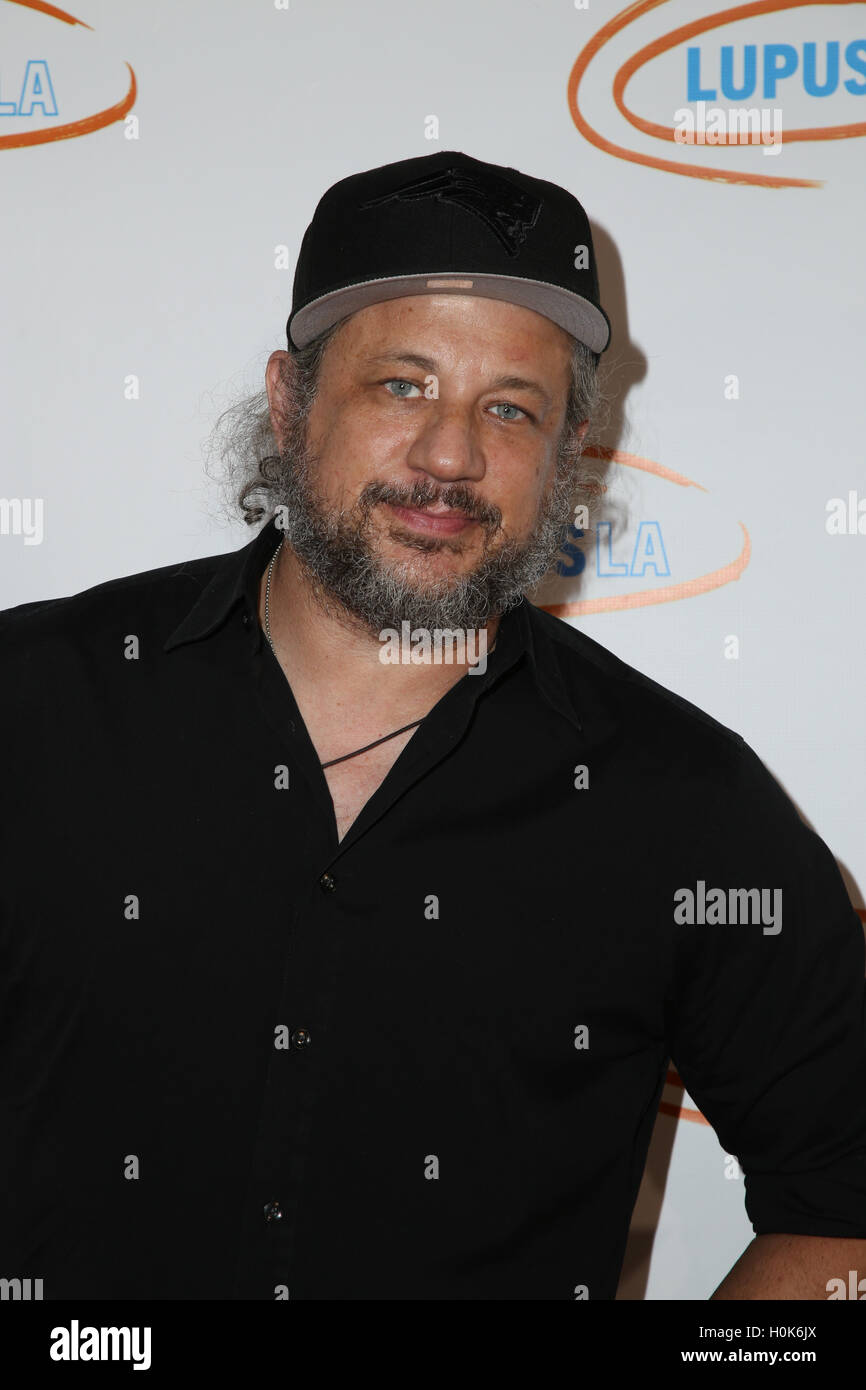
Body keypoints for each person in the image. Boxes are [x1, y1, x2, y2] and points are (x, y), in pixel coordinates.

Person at [2, 149, 864, 1301]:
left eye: (509, 409)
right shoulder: (36, 702)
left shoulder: (681, 802)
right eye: (401, 385)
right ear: (288, 400)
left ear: (567, 455)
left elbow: (844, 1208)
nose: (449, 456)